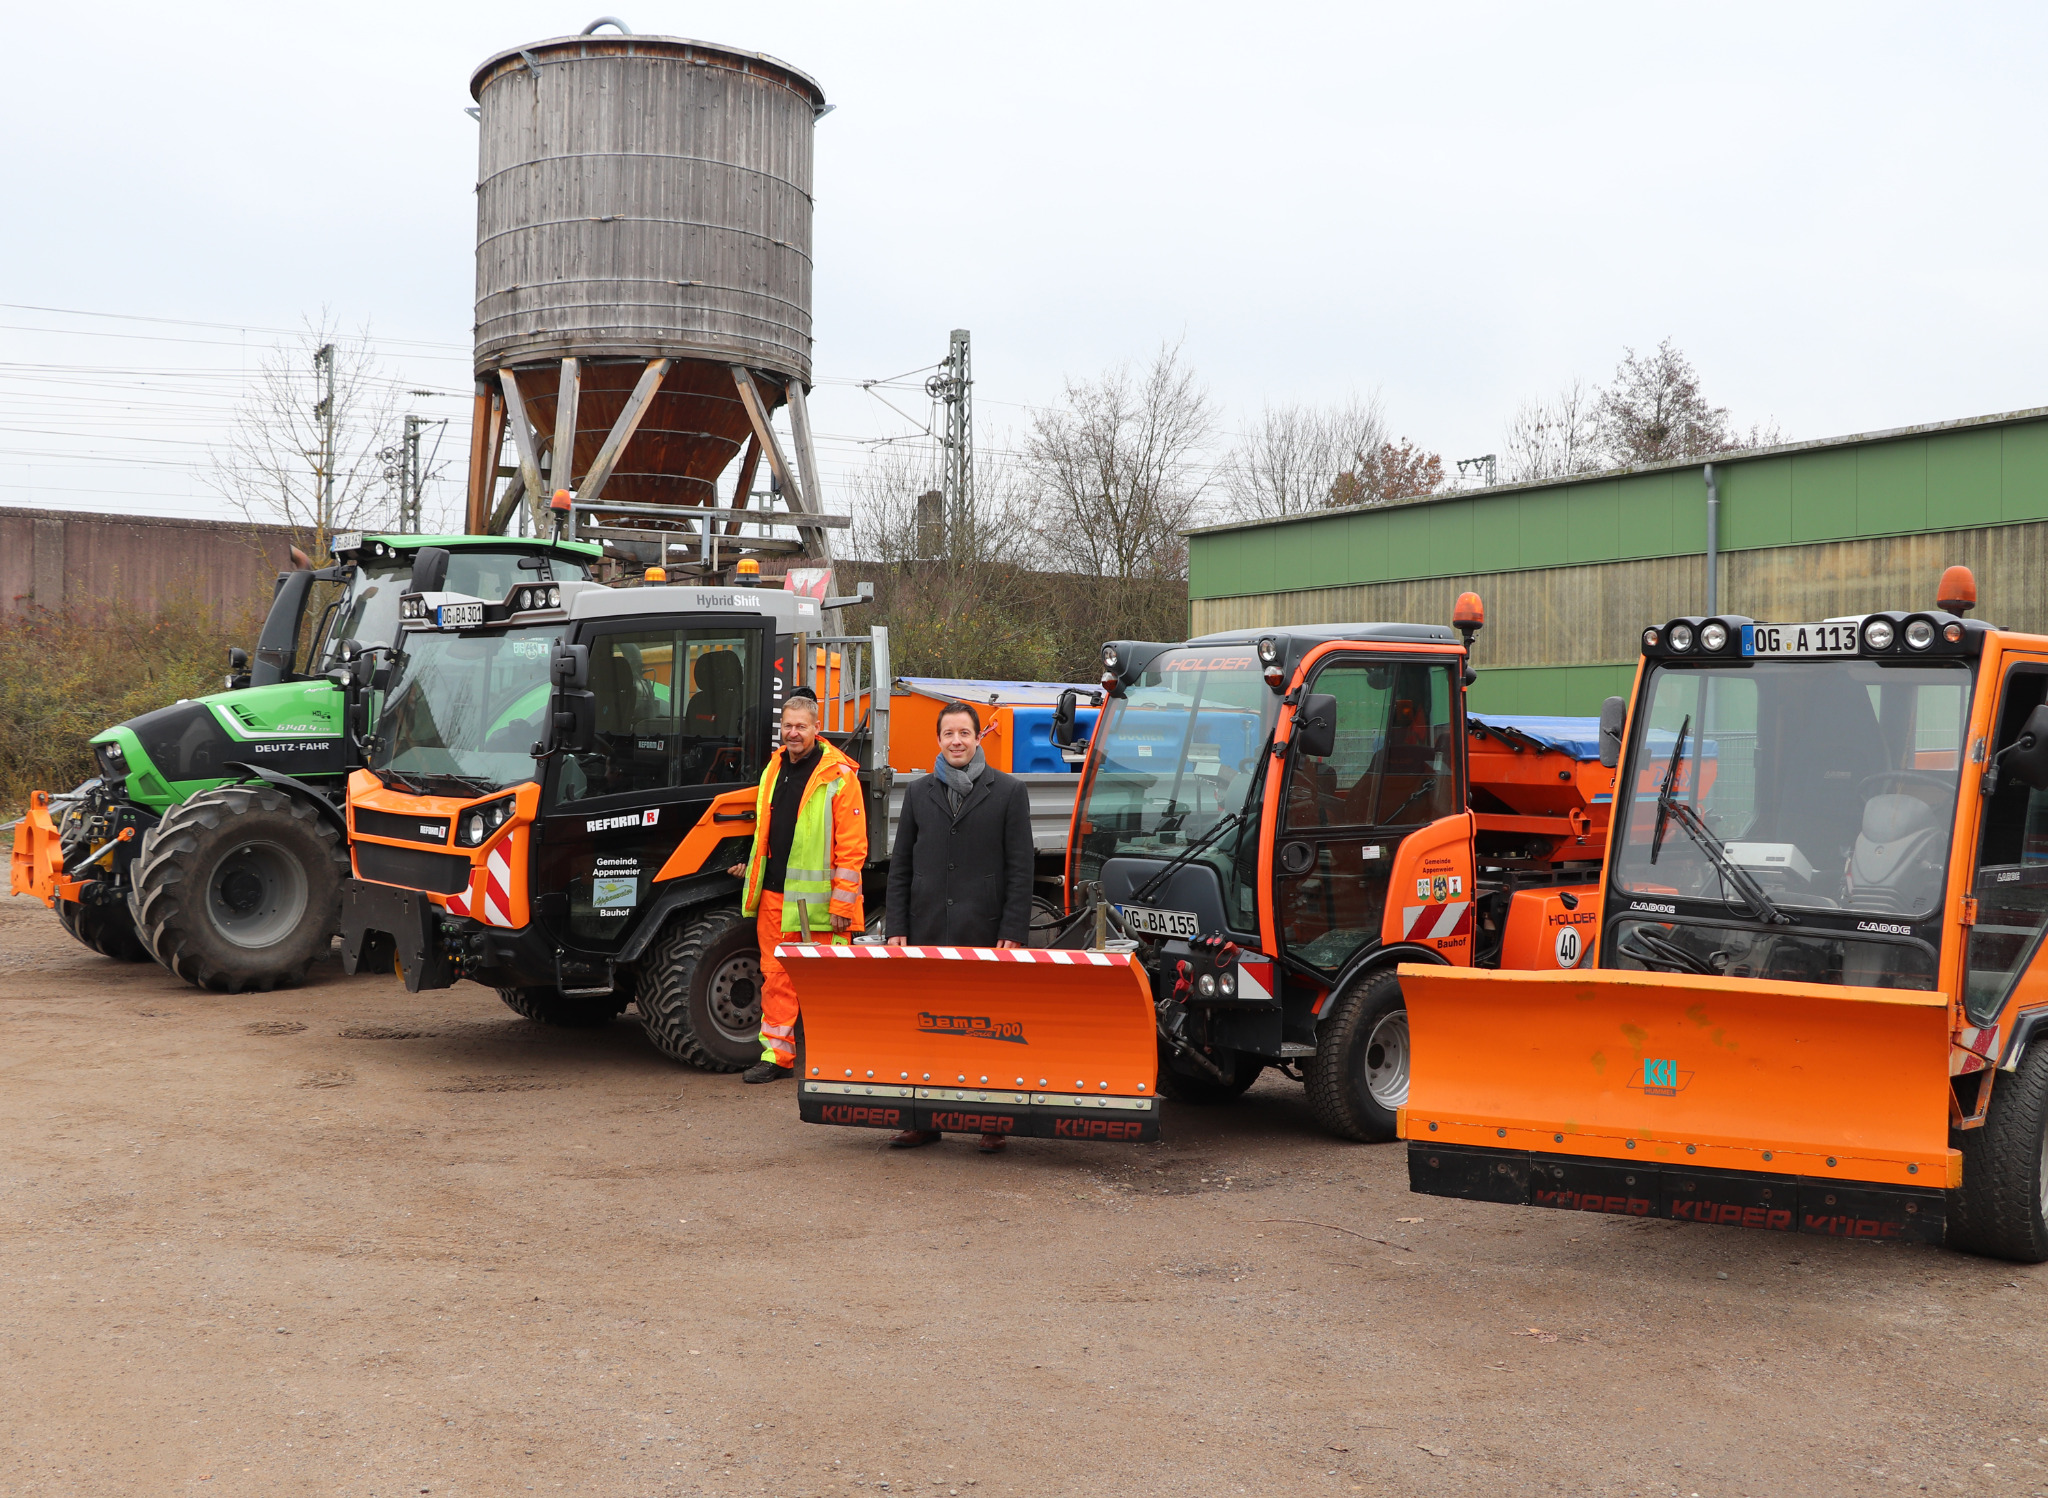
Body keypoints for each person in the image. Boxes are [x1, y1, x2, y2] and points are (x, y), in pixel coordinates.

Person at [883, 700, 1035, 1152]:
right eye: (948, 734)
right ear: (938, 740)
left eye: (964, 734)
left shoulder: (1008, 792)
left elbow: (1021, 869)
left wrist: (1013, 928)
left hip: (985, 931)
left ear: (977, 738)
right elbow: (901, 867)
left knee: (987, 1029)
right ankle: (923, 1121)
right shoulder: (917, 792)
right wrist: (897, 925)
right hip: (926, 927)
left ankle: (992, 1122)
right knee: (926, 1027)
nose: (956, 741)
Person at [726, 689, 865, 1083]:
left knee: (825, 986)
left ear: (817, 729)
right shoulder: (774, 767)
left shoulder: (838, 775)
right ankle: (777, 1058)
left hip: (816, 905)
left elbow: (853, 848)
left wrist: (841, 907)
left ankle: (834, 1060)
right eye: (787, 726)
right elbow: (764, 831)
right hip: (773, 895)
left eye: (801, 726)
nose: (793, 733)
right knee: (775, 977)